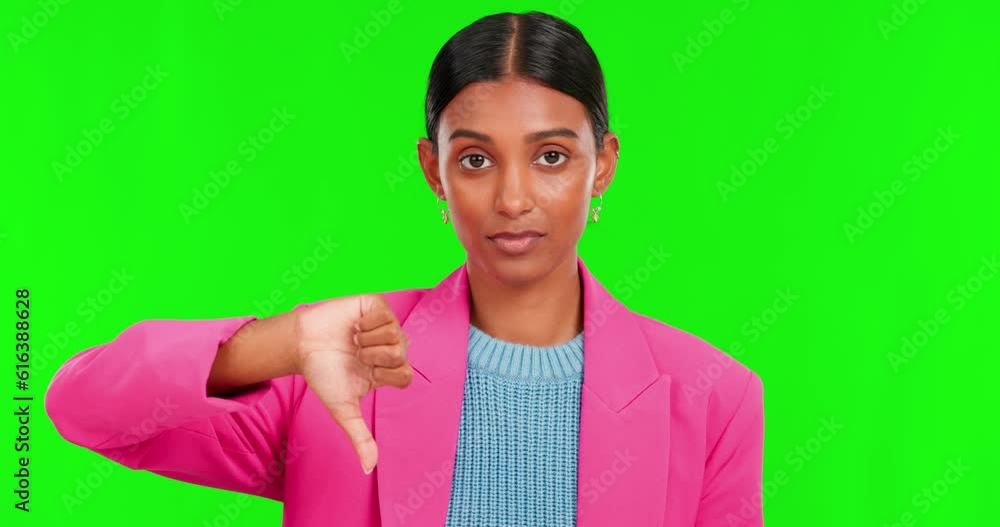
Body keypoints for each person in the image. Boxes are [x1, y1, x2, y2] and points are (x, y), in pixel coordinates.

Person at [46, 10, 764, 527]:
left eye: (551, 156)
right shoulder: (346, 364)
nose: (513, 198)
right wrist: (281, 343)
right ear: (434, 170)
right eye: (476, 159)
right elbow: (82, 407)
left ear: (602, 165)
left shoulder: (713, 398)